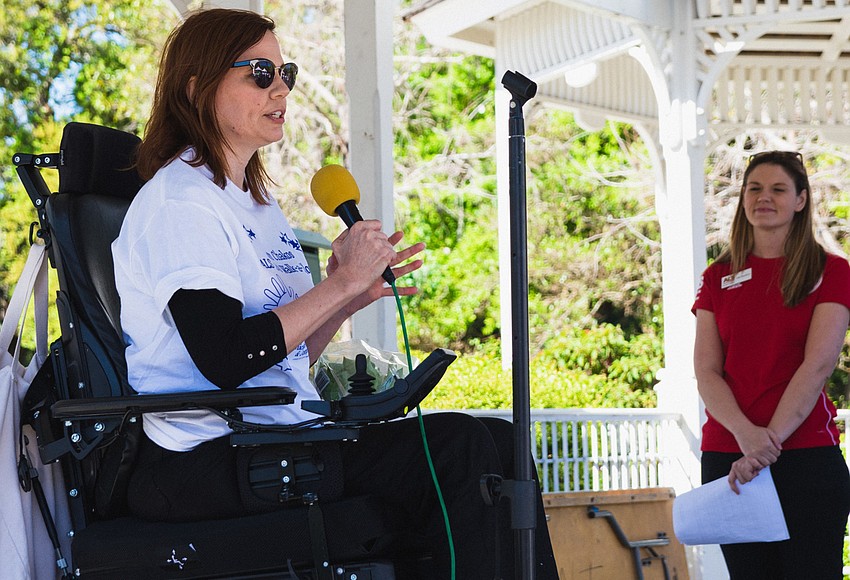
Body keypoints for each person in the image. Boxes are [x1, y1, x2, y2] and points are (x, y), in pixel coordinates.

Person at [111, 8, 557, 578]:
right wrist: (340, 284)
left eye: (285, 72)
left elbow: (282, 364)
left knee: (502, 440)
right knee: (459, 446)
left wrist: (344, 296)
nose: (281, 89)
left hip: (270, 435)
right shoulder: (182, 201)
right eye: (259, 73)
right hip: (202, 459)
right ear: (197, 87)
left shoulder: (256, 205)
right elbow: (225, 359)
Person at [692, 150, 850, 579]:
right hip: (729, 459)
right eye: (754, 188)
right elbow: (706, 370)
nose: (764, 197)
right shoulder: (717, 276)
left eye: (778, 189)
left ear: (800, 200)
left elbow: (818, 364)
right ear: (742, 199)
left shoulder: (831, 270)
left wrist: (766, 445)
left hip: (804, 458)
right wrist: (747, 438)